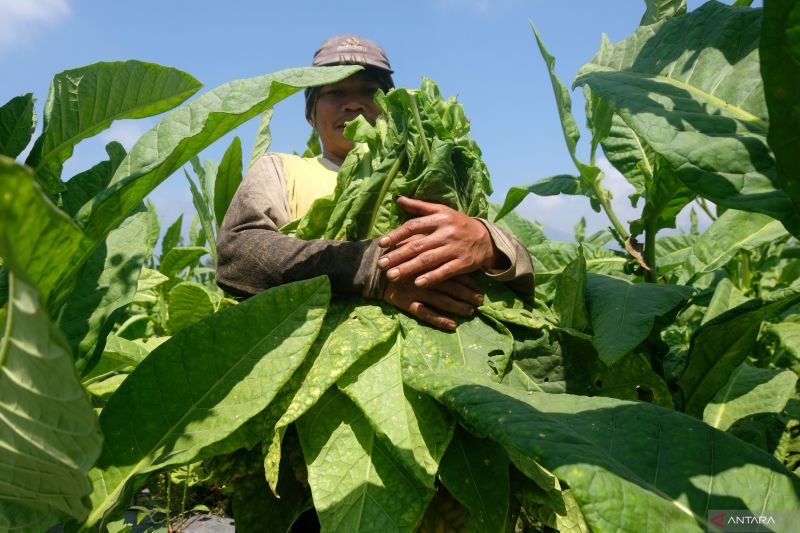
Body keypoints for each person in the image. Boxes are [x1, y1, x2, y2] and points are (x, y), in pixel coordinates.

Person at [216, 35, 533, 330]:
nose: (353, 103)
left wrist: (488, 241)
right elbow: (238, 256)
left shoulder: (425, 171)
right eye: (334, 91)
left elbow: (525, 272)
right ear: (311, 112)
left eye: (369, 91)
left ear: (393, 107)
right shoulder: (280, 170)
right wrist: (372, 270)